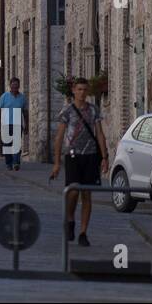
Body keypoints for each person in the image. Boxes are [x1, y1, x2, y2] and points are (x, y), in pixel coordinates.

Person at [49, 77, 108, 247]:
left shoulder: (94, 110)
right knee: (73, 192)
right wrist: (57, 163)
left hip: (90, 155)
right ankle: (70, 219)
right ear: (74, 90)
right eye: (79, 89)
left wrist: (104, 157)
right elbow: (59, 137)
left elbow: (100, 133)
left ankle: (83, 232)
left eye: (84, 90)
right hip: (73, 155)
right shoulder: (67, 111)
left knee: (87, 194)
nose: (82, 93)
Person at [0, 78, 28, 171]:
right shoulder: (4, 96)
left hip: (18, 124)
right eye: (13, 85)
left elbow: (25, 112)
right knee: (7, 145)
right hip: (6, 124)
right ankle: (9, 163)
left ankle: (16, 163)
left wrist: (26, 125)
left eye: (16, 85)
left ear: (19, 86)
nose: (15, 86)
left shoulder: (22, 98)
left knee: (17, 145)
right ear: (10, 85)